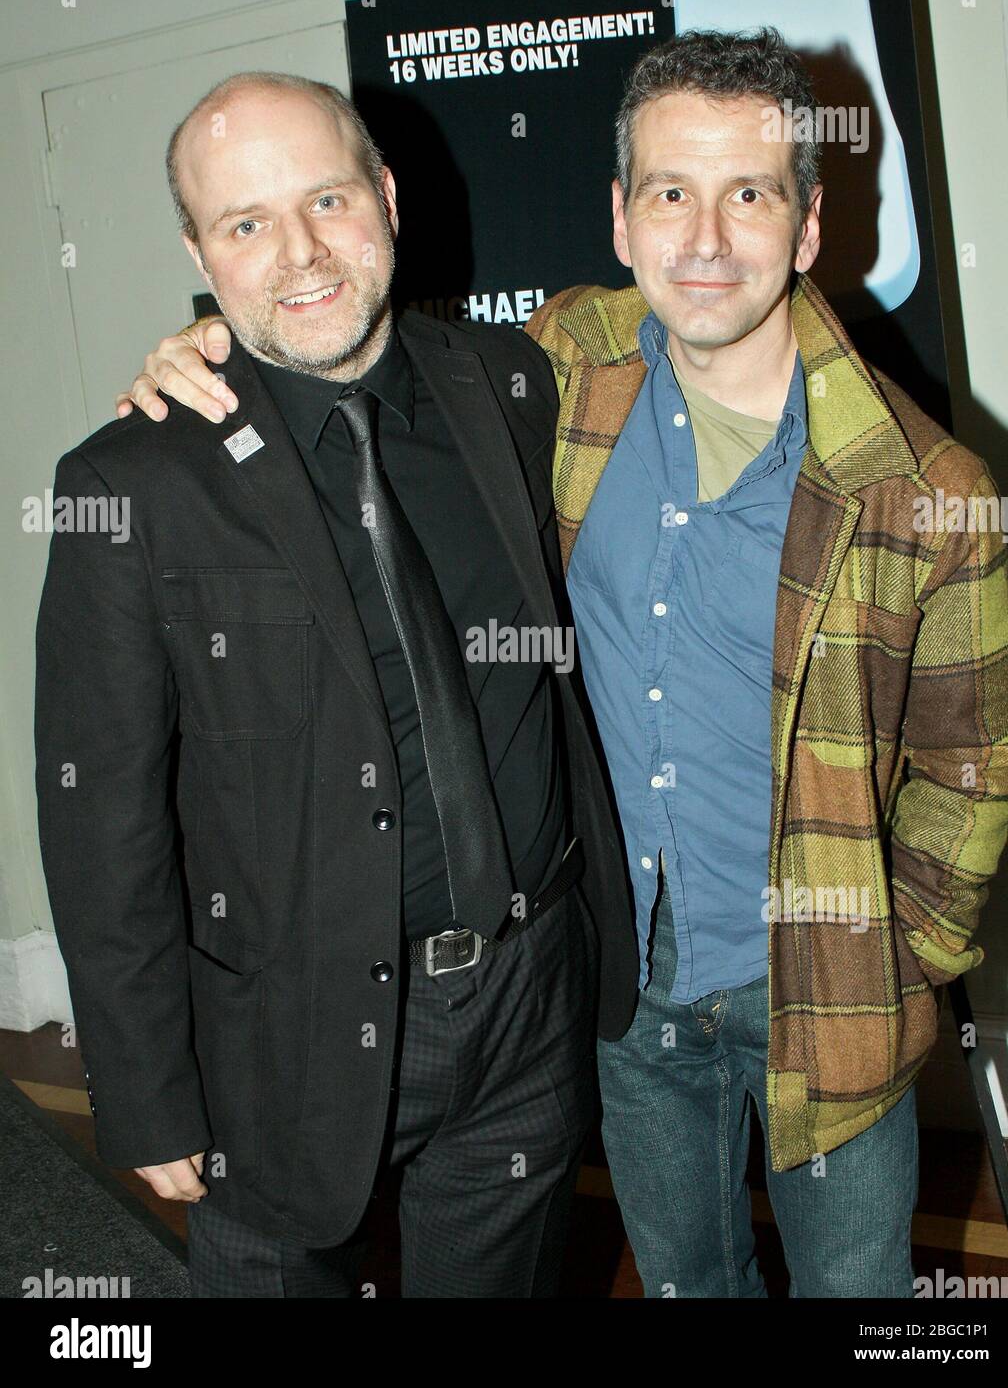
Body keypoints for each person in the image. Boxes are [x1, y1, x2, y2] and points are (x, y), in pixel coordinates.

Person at [117, 29, 1008, 1299]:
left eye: (750, 194)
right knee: (685, 1286)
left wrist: (901, 952)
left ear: (808, 226)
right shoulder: (552, 372)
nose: (705, 238)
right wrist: (193, 346)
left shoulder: (925, 489)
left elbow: (981, 750)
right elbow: (335, 337)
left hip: (825, 998)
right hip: (619, 995)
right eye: (670, 192)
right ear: (619, 215)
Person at [34, 70, 637, 1300]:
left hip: (527, 991)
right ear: (198, 248)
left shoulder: (511, 386)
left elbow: (707, 305)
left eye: (326, 200)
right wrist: (143, 1093)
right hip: (286, 1033)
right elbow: (101, 819)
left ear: (389, 197)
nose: (297, 252)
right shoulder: (134, 479)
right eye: (244, 222)